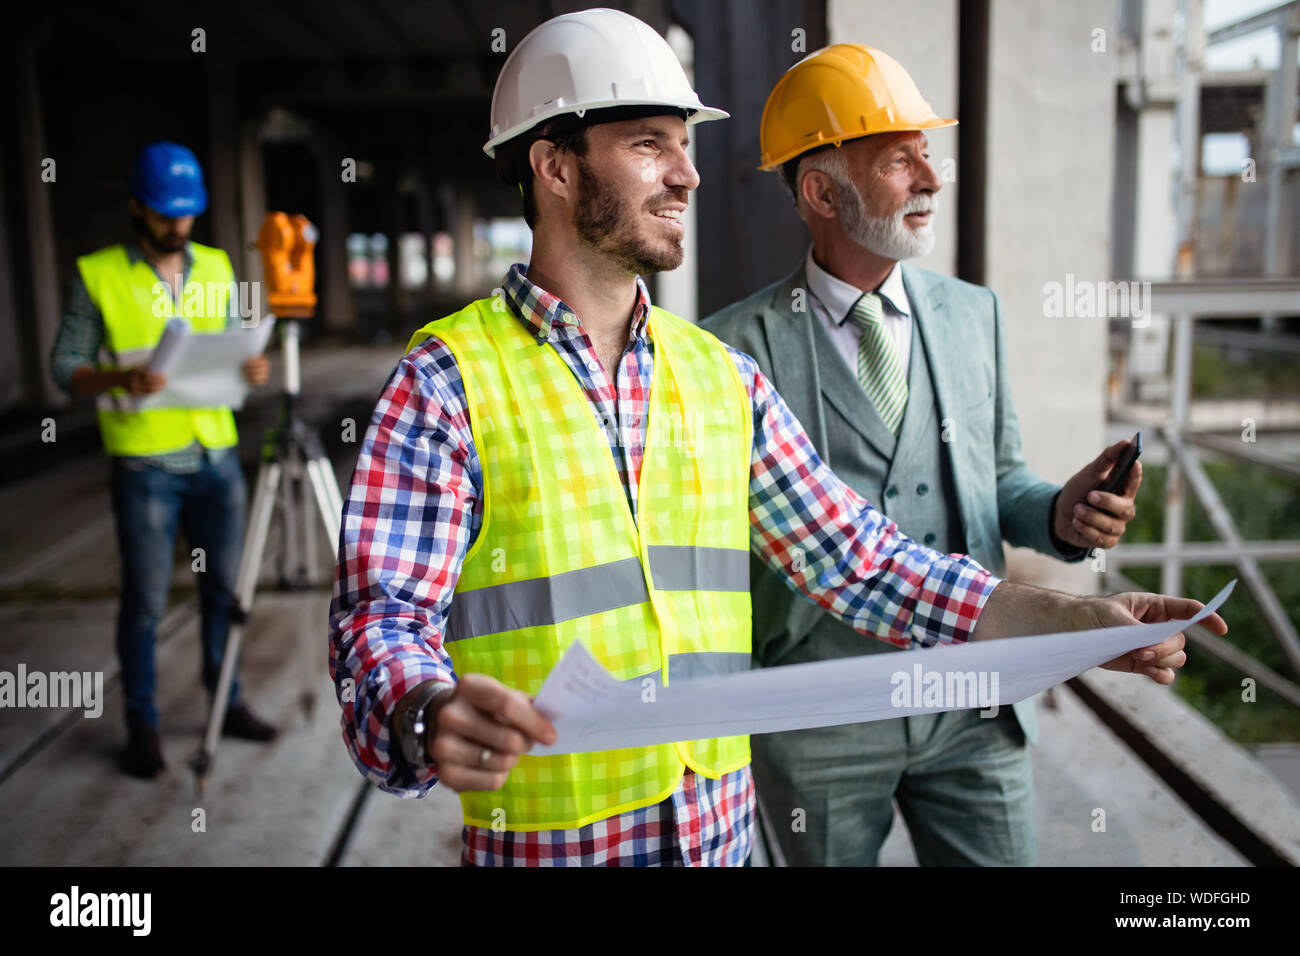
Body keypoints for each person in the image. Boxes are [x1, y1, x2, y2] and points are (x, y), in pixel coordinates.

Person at [329, 9, 1219, 867]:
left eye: (686, 146)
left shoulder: (719, 378)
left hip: (715, 836)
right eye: (650, 143)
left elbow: (867, 564)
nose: (688, 176)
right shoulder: (448, 380)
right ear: (555, 167)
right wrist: (425, 712)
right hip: (556, 846)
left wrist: (1083, 623)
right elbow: (382, 621)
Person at [701, 44, 1145, 866]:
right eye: (900, 162)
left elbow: (999, 479)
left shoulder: (975, 315)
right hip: (820, 714)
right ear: (819, 190)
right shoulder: (727, 351)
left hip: (975, 701)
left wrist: (1060, 514)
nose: (931, 181)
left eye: (927, 156)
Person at [50, 142, 277, 779]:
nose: (177, 225)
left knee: (223, 593)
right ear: (136, 208)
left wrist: (252, 366)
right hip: (146, 463)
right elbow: (64, 369)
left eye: (185, 214)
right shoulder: (97, 275)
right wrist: (119, 382)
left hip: (216, 454)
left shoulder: (214, 265)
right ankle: (143, 728)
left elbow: (234, 344)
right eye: (164, 213)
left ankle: (226, 702)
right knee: (146, 604)